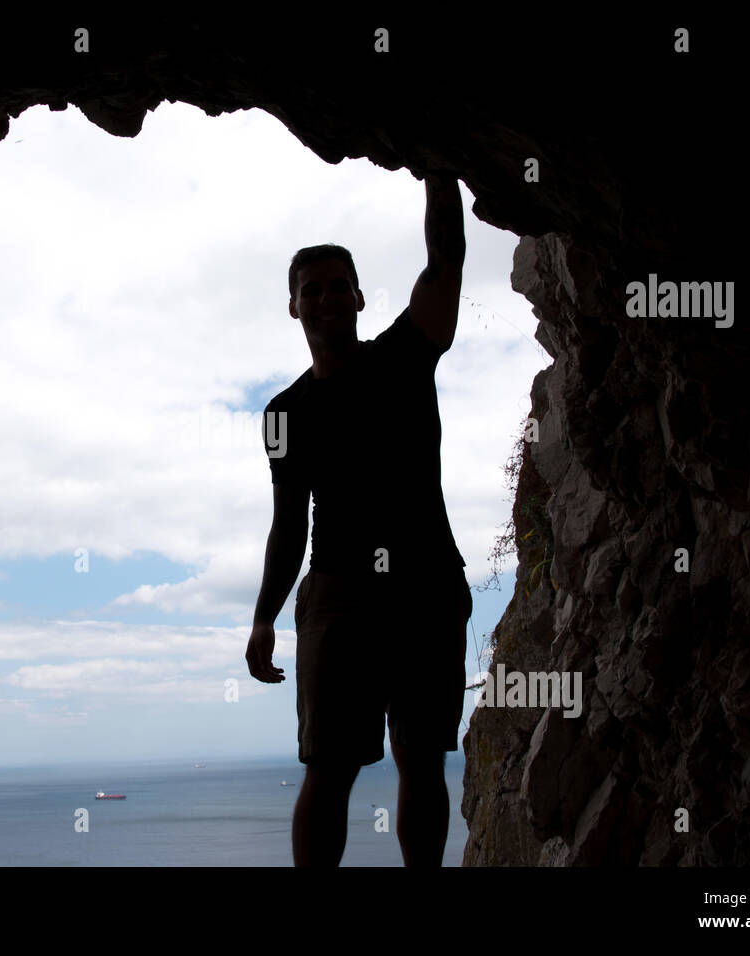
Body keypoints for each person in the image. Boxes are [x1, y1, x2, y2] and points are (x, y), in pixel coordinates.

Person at [246, 170, 472, 866]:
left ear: (360, 297)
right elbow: (288, 523)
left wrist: (440, 169)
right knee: (329, 767)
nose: (324, 297)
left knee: (420, 757)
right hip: (337, 592)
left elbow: (445, 263)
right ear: (292, 307)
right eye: (309, 289)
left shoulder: (405, 355)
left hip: (425, 581)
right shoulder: (282, 414)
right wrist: (262, 618)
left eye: (337, 284)